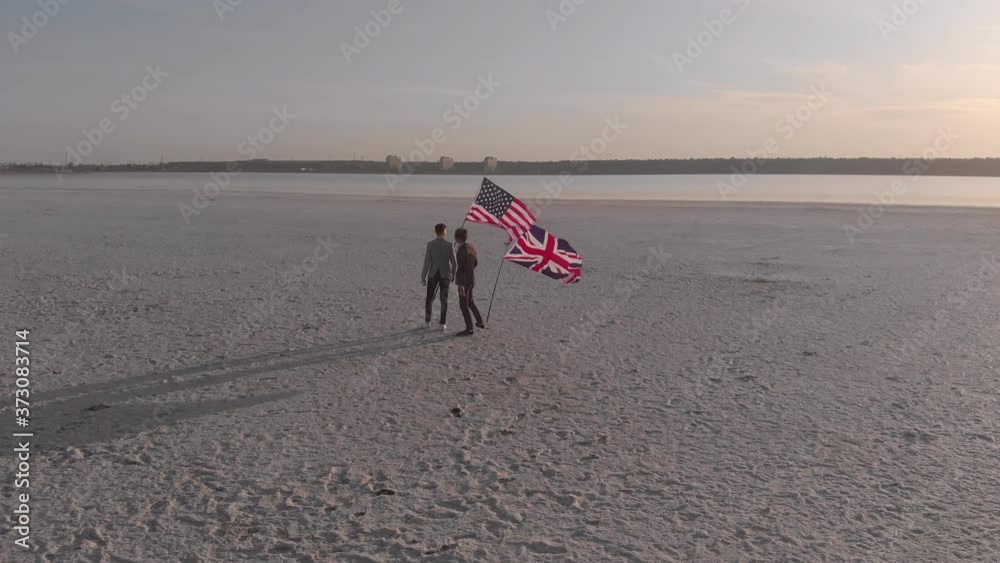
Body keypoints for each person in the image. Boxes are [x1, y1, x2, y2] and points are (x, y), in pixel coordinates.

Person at [421, 223, 456, 331]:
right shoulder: (449, 245)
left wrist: (423, 276)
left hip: (433, 274)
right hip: (445, 274)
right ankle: (443, 323)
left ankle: (428, 322)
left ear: (436, 231)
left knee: (429, 298)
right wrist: (453, 274)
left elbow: (426, 262)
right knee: (443, 299)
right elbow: (455, 263)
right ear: (444, 231)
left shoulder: (430, 244)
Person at [454, 227, 485, 336]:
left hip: (464, 281)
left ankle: (469, 328)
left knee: (463, 305)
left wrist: (461, 285)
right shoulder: (471, 247)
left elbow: (461, 269)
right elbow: (475, 263)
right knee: (470, 302)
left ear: (457, 238)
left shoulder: (461, 251)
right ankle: (480, 321)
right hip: (471, 279)